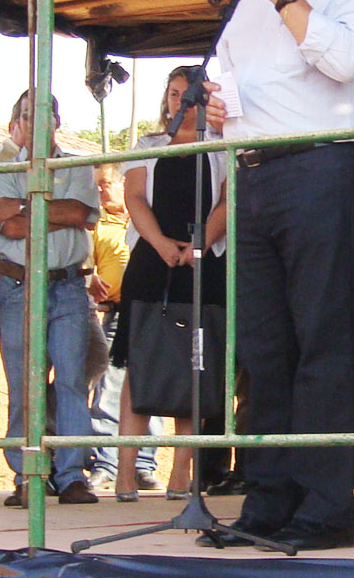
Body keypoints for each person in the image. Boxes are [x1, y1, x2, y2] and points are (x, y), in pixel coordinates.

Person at [200, 0, 354, 551]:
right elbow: (244, 90)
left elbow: (342, 60)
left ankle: (325, 504)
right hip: (252, 178)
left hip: (319, 168)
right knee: (264, 350)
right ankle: (268, 499)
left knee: (322, 343)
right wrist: (223, 110)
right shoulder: (243, 4)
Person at [110, 67, 228, 503]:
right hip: (152, 263)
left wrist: (198, 246)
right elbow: (135, 197)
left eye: (190, 95)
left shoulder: (223, 146)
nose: (181, 102)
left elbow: (226, 200)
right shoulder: (148, 145)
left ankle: (181, 472)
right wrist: (160, 243)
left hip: (204, 263)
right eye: (175, 94)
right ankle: (126, 472)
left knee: (194, 366)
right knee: (139, 367)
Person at [0, 90, 100, 507]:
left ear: (57, 121)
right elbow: (12, 229)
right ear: (16, 122)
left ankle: (72, 475)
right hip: (18, 286)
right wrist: (55, 209)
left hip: (68, 285)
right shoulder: (4, 168)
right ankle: (27, 476)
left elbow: (80, 214)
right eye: (26, 114)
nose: (36, 121)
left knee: (72, 381)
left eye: (45, 113)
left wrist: (25, 206)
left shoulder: (76, 163)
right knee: (25, 384)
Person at [86, 163, 162, 492]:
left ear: (123, 183)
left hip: (154, 310)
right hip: (117, 315)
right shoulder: (95, 225)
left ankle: (144, 462)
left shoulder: (146, 219)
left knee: (155, 386)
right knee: (112, 389)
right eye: (97, 186)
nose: (101, 191)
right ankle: (106, 462)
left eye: (106, 184)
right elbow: (86, 262)